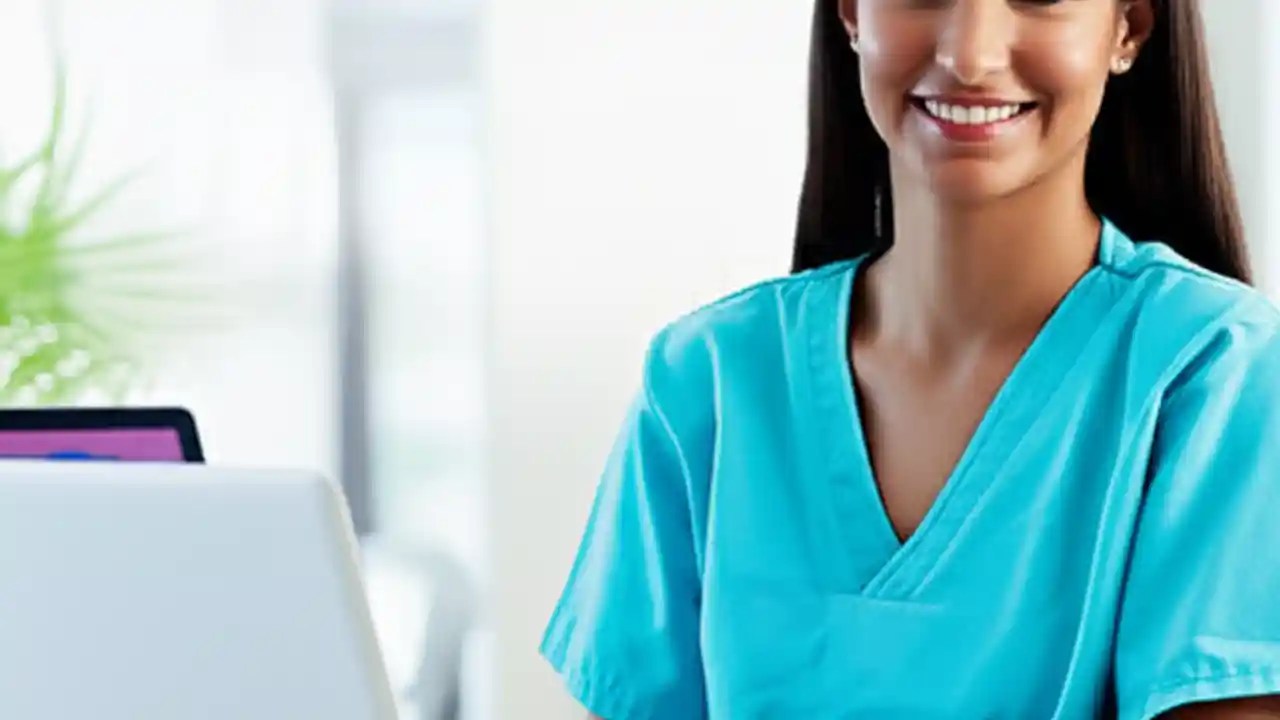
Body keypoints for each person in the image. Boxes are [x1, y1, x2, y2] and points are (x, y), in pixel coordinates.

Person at [541, 0, 1280, 717]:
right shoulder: (705, 381)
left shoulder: (1216, 373)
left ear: (1130, 26)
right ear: (852, 13)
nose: (970, 53)